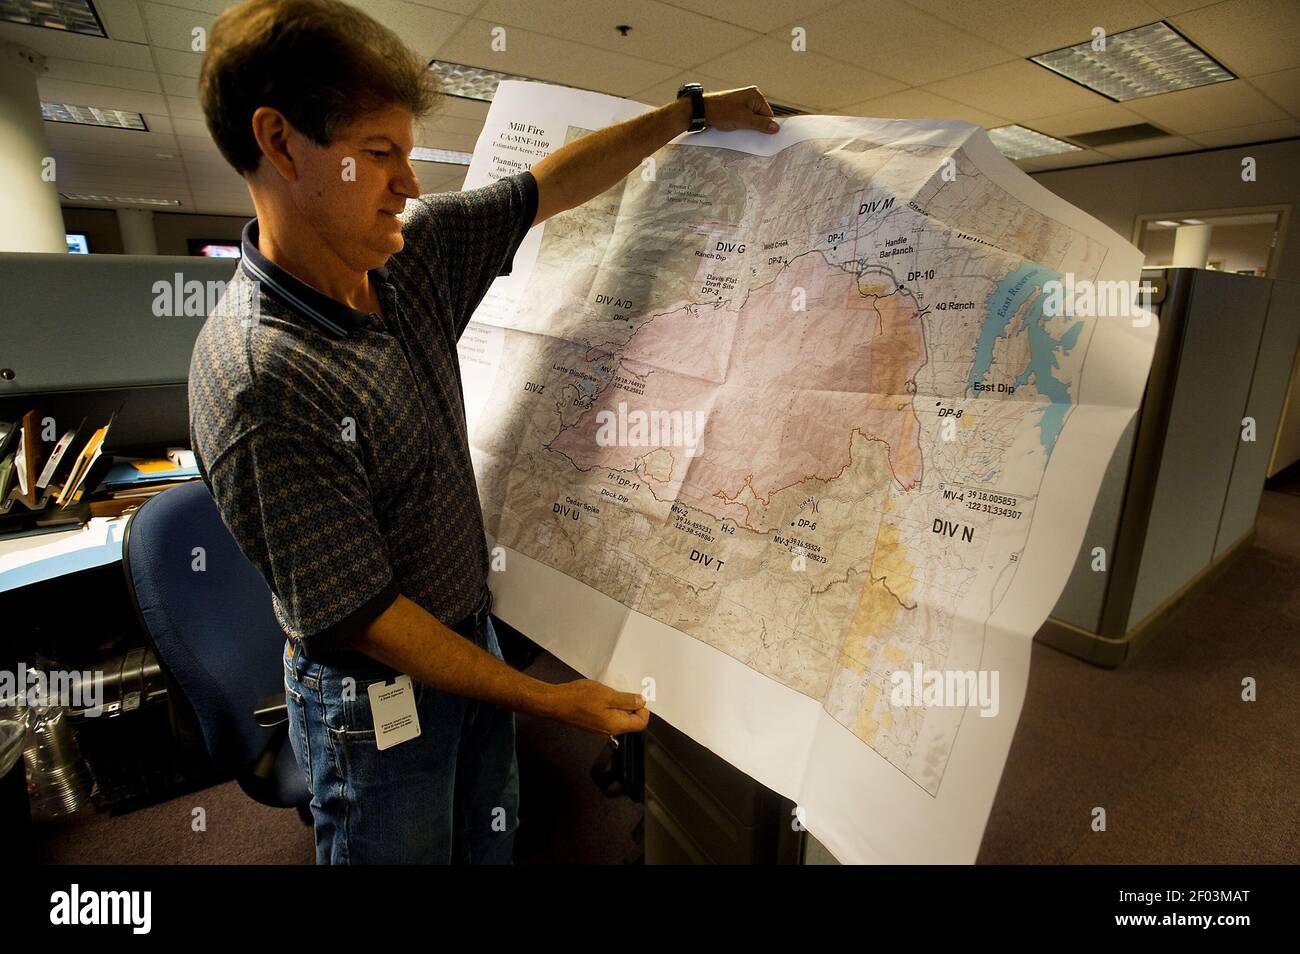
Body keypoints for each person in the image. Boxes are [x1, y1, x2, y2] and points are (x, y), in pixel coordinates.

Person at [187, 0, 780, 864]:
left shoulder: (405, 257)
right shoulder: (259, 380)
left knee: (487, 847)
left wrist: (689, 113)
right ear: (280, 144)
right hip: (373, 699)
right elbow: (366, 617)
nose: (411, 183)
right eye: (380, 154)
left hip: (470, 640)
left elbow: (543, 188)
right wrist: (549, 703)